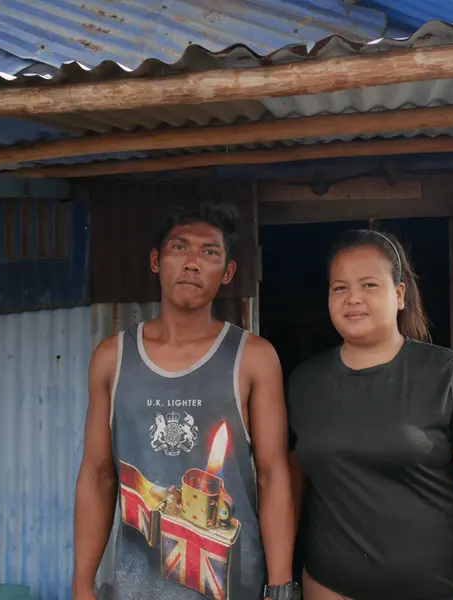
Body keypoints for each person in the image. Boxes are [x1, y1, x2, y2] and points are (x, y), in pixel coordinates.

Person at [73, 199, 299, 600]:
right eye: (180, 247)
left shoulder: (253, 357)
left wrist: (280, 587)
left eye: (209, 252)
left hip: (234, 586)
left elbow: (272, 474)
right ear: (156, 261)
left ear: (228, 272)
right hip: (136, 588)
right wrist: (82, 584)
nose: (193, 262)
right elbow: (97, 473)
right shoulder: (112, 357)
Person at [288, 229, 453, 600]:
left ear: (399, 295)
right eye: (339, 288)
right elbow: (291, 487)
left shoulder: (448, 374)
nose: (353, 298)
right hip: (329, 588)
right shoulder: (304, 382)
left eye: (370, 285)